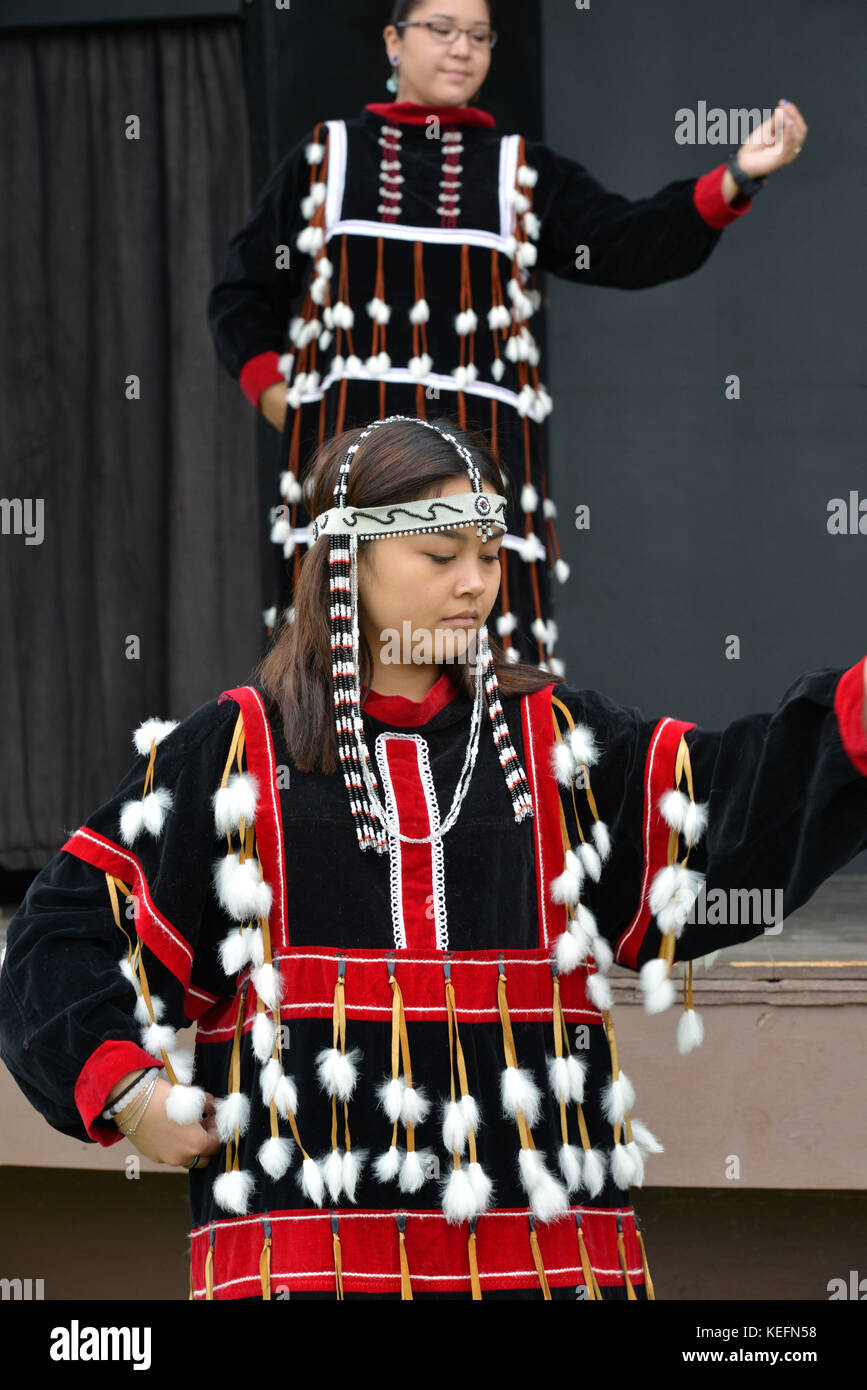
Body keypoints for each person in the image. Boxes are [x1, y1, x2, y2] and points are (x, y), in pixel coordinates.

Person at [1, 413, 862, 1302]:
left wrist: (850, 725)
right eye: (440, 556)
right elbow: (62, 932)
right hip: (308, 1262)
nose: (476, 585)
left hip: (542, 1259)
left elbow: (722, 810)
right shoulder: (237, 754)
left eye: (488, 556)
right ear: (350, 560)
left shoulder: (555, 743)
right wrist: (131, 1097)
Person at [207, 0, 807, 671]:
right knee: (339, 671)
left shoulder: (519, 172)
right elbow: (241, 293)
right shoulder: (326, 159)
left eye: (478, 36)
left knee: (485, 673)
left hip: (477, 472)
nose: (461, 48)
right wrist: (286, 408)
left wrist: (736, 176)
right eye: (440, 30)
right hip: (355, 471)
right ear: (392, 42)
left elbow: (628, 243)